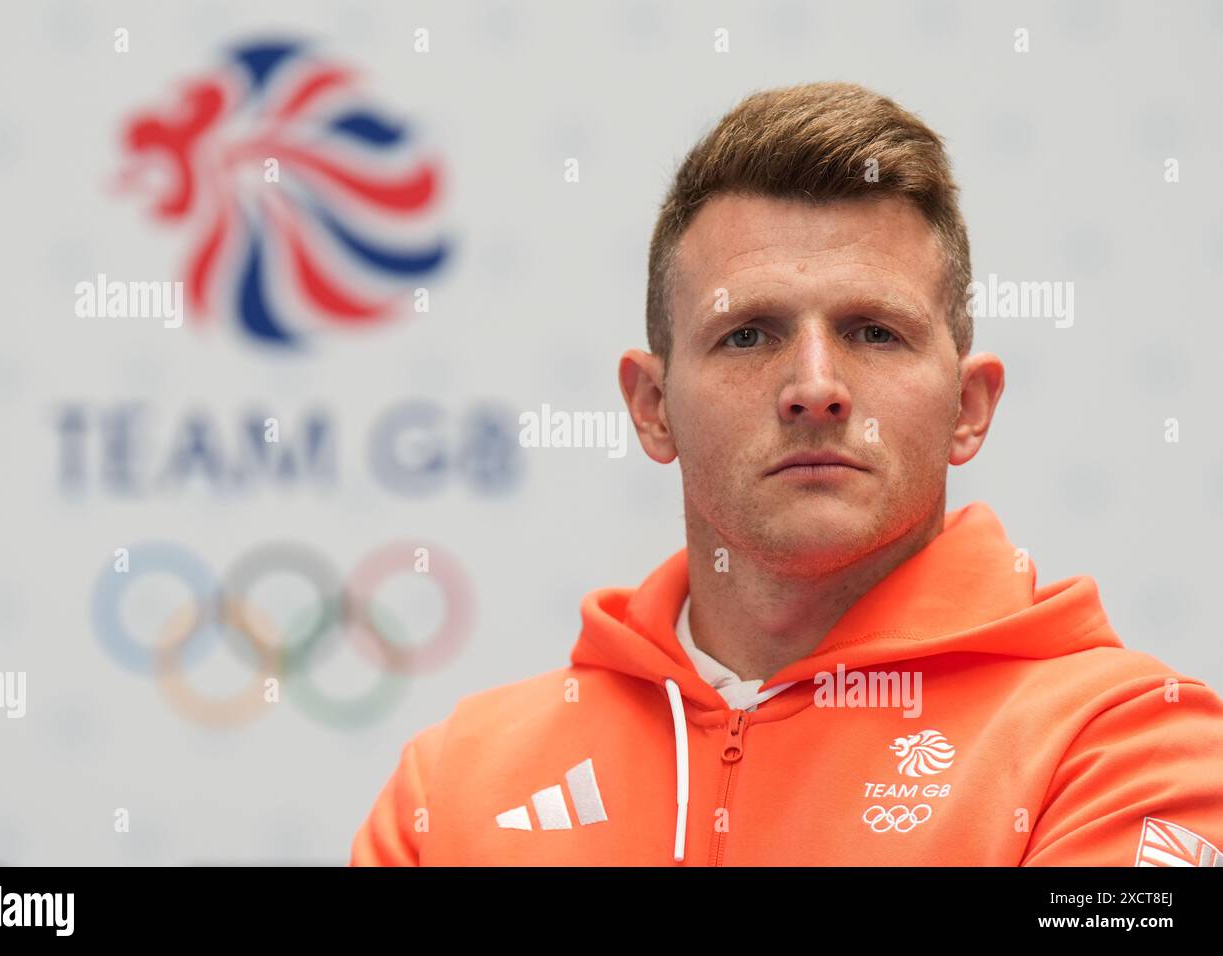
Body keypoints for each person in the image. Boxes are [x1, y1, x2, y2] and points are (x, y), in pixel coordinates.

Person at [349, 82, 1223, 866]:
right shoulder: (456, 788)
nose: (815, 389)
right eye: (749, 333)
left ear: (968, 407)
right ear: (653, 406)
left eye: (874, 332)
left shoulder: (1125, 747)